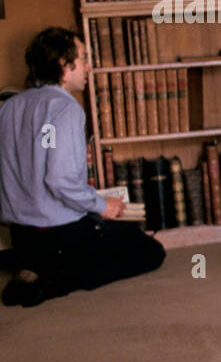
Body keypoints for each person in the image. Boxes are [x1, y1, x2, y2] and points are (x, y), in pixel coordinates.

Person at [0, 27, 165, 307]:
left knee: (103, 230)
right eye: (84, 58)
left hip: (20, 233)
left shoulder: (9, 107)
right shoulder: (65, 109)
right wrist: (101, 205)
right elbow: (59, 179)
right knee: (150, 251)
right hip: (58, 234)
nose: (89, 66)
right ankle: (56, 278)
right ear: (64, 66)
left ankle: (30, 264)